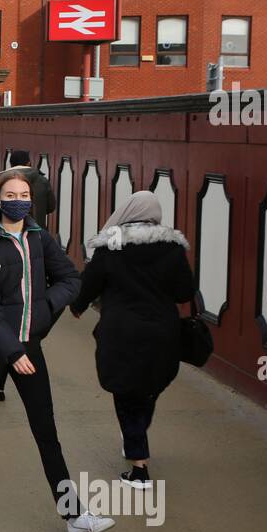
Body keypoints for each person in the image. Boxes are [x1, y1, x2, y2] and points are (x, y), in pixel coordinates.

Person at [0, 168, 114, 532]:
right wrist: (12, 350)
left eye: (25, 195)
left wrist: (45, 309)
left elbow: (72, 279)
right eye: (11, 195)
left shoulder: (38, 237)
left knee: (45, 428)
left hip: (27, 344)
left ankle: (75, 516)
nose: (19, 201)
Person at [70, 191, 194, 489]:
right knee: (147, 389)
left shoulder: (110, 246)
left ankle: (139, 468)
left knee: (126, 393)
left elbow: (89, 284)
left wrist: (77, 306)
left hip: (121, 331)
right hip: (162, 332)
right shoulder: (173, 248)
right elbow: (184, 292)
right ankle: (136, 437)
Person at [0, 150, 57, 402]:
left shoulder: (1, 179)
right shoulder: (40, 179)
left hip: (3, 244)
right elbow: (51, 206)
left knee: (3, 308)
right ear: (30, 162)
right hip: (33, 244)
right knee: (27, 303)